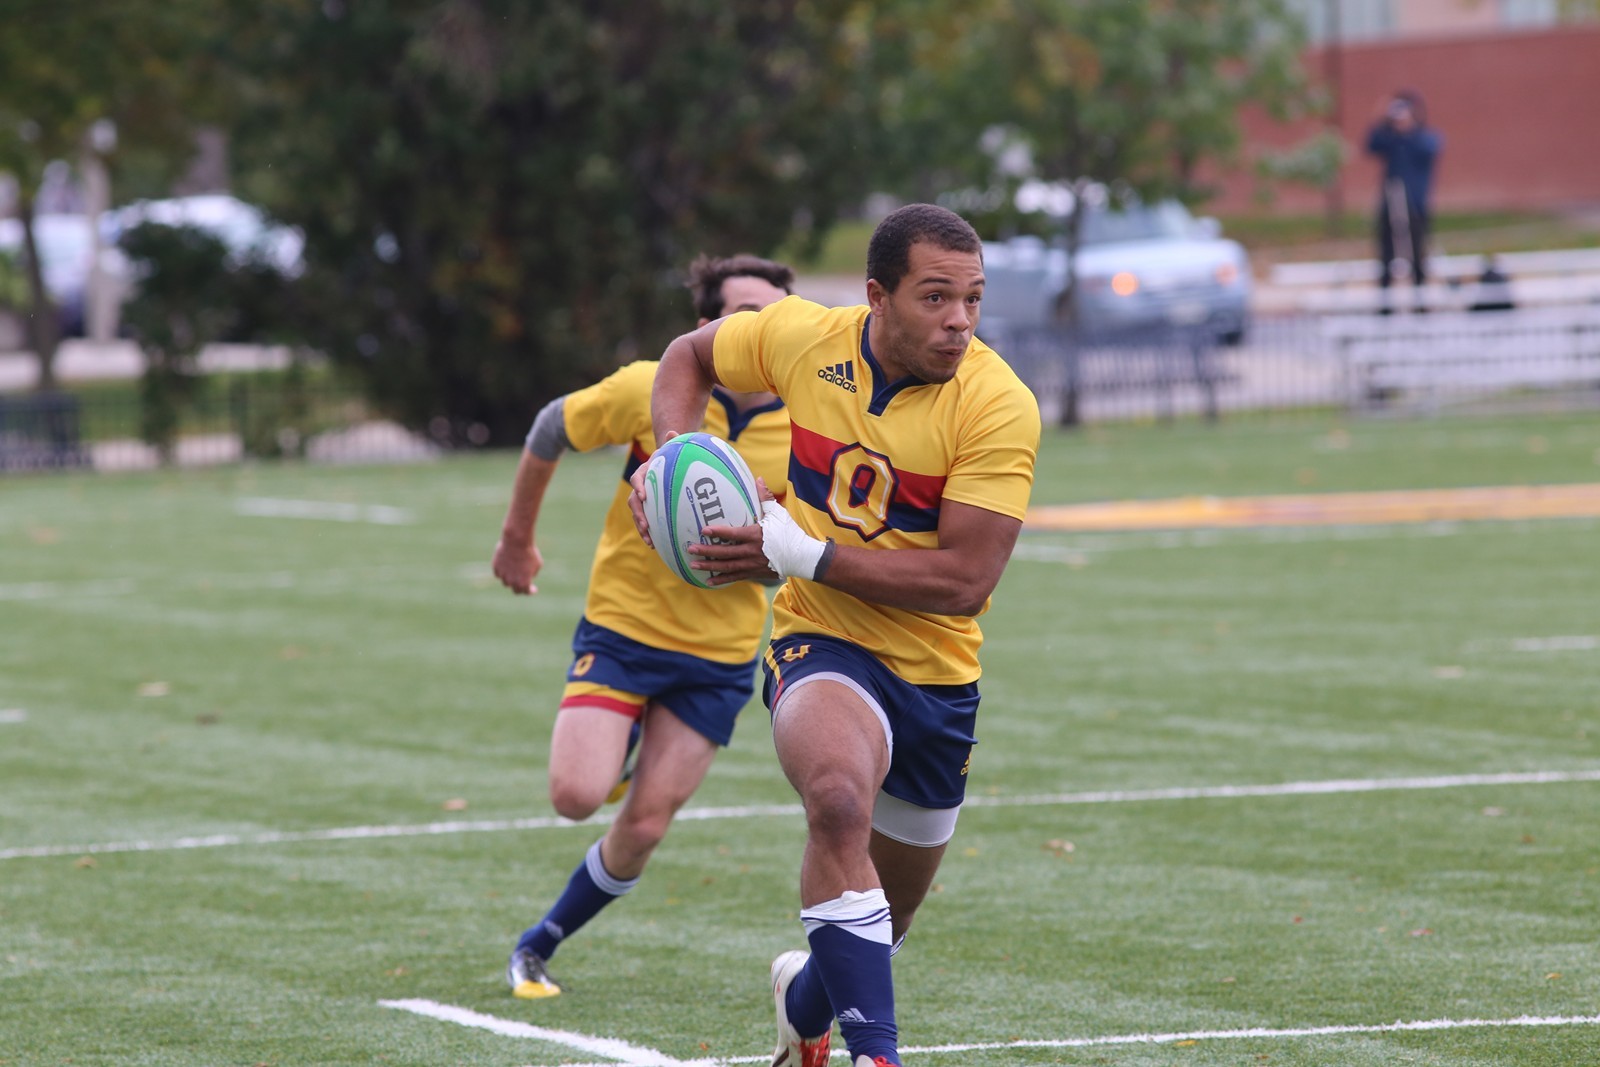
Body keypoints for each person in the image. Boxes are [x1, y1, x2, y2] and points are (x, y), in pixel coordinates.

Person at [628, 204, 1041, 1067]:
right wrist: (670, 458)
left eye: (973, 298)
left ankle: (801, 1000)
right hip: (822, 644)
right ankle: (877, 1057)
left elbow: (965, 581)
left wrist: (805, 550)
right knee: (839, 801)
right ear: (876, 297)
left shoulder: (999, 405)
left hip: (935, 678)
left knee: (877, 928)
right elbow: (688, 355)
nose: (959, 320)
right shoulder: (804, 338)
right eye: (935, 297)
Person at [494, 253, 795, 999]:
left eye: (776, 318)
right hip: (624, 632)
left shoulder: (810, 427)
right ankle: (619, 746)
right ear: (706, 328)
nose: (762, 331)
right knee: (574, 794)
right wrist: (515, 537)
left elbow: (799, 559)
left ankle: (541, 941)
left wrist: (757, 556)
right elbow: (548, 427)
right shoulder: (649, 387)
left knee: (647, 826)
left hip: (720, 657)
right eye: (744, 315)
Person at [1365, 90, 1443, 300]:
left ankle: (1421, 304)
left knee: (1418, 257)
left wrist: (1408, 127)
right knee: (1386, 258)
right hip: (1390, 203)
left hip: (1416, 205)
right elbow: (1370, 144)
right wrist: (1382, 116)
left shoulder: (1425, 138)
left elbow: (1431, 148)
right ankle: (1385, 305)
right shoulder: (1390, 139)